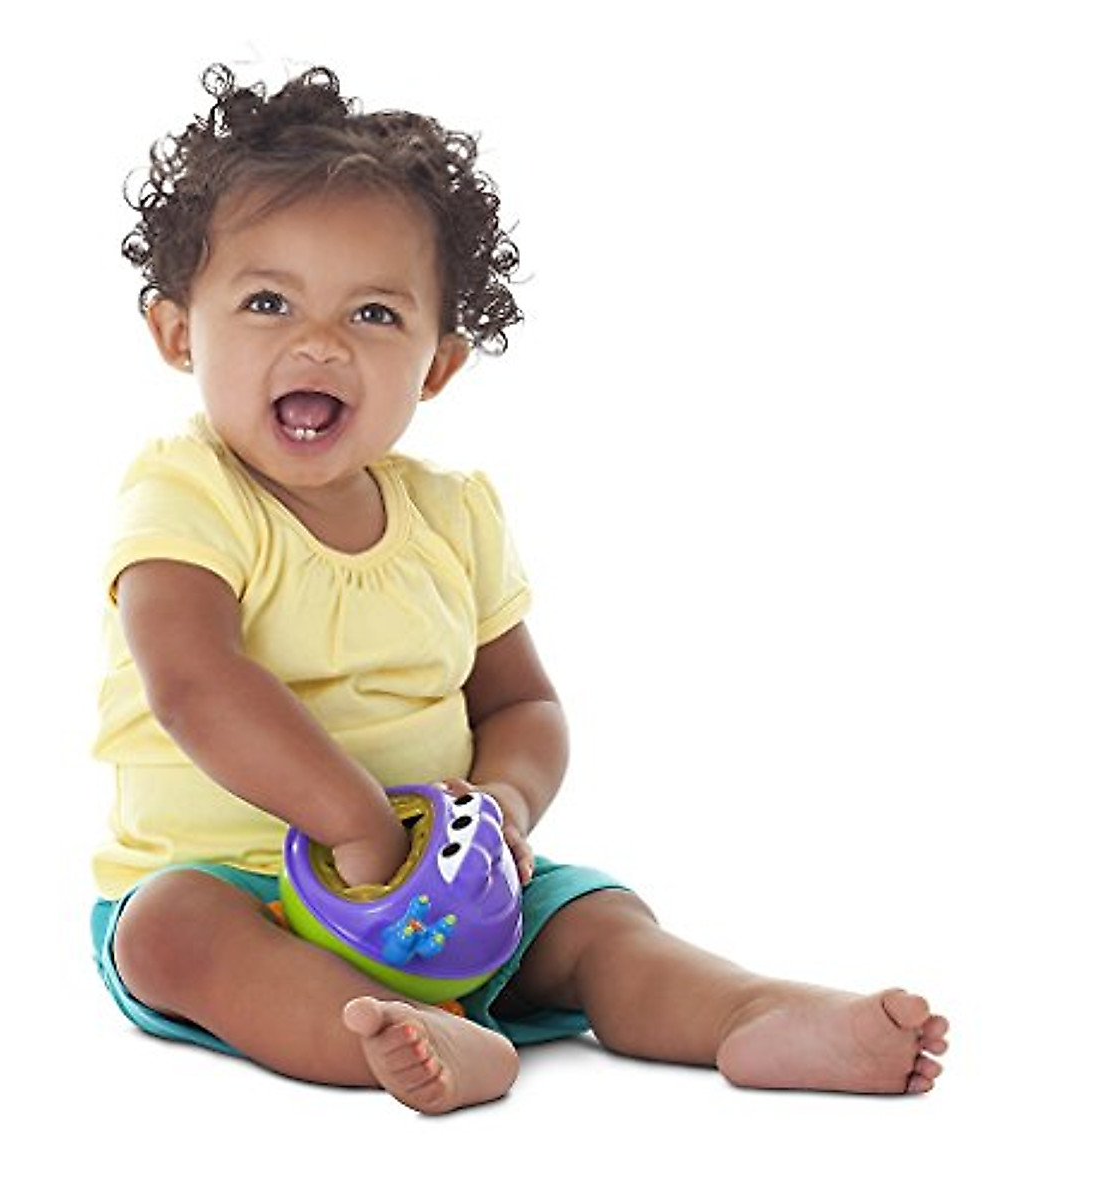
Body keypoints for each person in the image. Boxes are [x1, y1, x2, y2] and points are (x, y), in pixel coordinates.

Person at [90, 63, 949, 1114]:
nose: (318, 342)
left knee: (593, 923)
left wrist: (501, 806)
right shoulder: (185, 494)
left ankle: (751, 1012)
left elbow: (522, 704)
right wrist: (356, 824)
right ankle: (406, 1034)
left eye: (373, 313)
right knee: (167, 933)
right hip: (245, 884)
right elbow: (194, 681)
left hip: (448, 888)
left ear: (437, 366)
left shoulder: (454, 516)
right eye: (268, 302)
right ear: (178, 331)